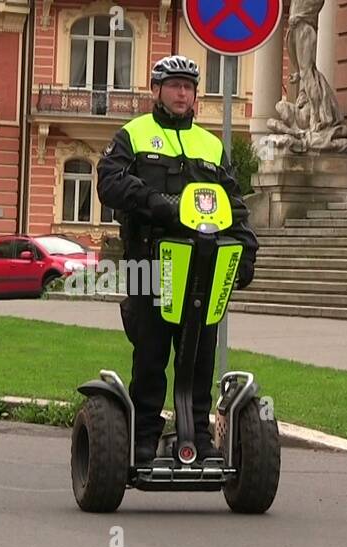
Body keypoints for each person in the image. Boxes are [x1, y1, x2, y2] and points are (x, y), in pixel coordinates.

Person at [97, 55, 259, 465]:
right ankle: (145, 438)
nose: (182, 93)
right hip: (151, 262)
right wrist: (157, 203)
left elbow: (235, 206)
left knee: (199, 351)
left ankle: (198, 436)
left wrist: (245, 251)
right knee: (151, 352)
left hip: (203, 267)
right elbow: (110, 183)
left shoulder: (211, 146)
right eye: (174, 85)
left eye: (188, 86)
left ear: (196, 94)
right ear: (157, 91)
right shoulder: (133, 136)